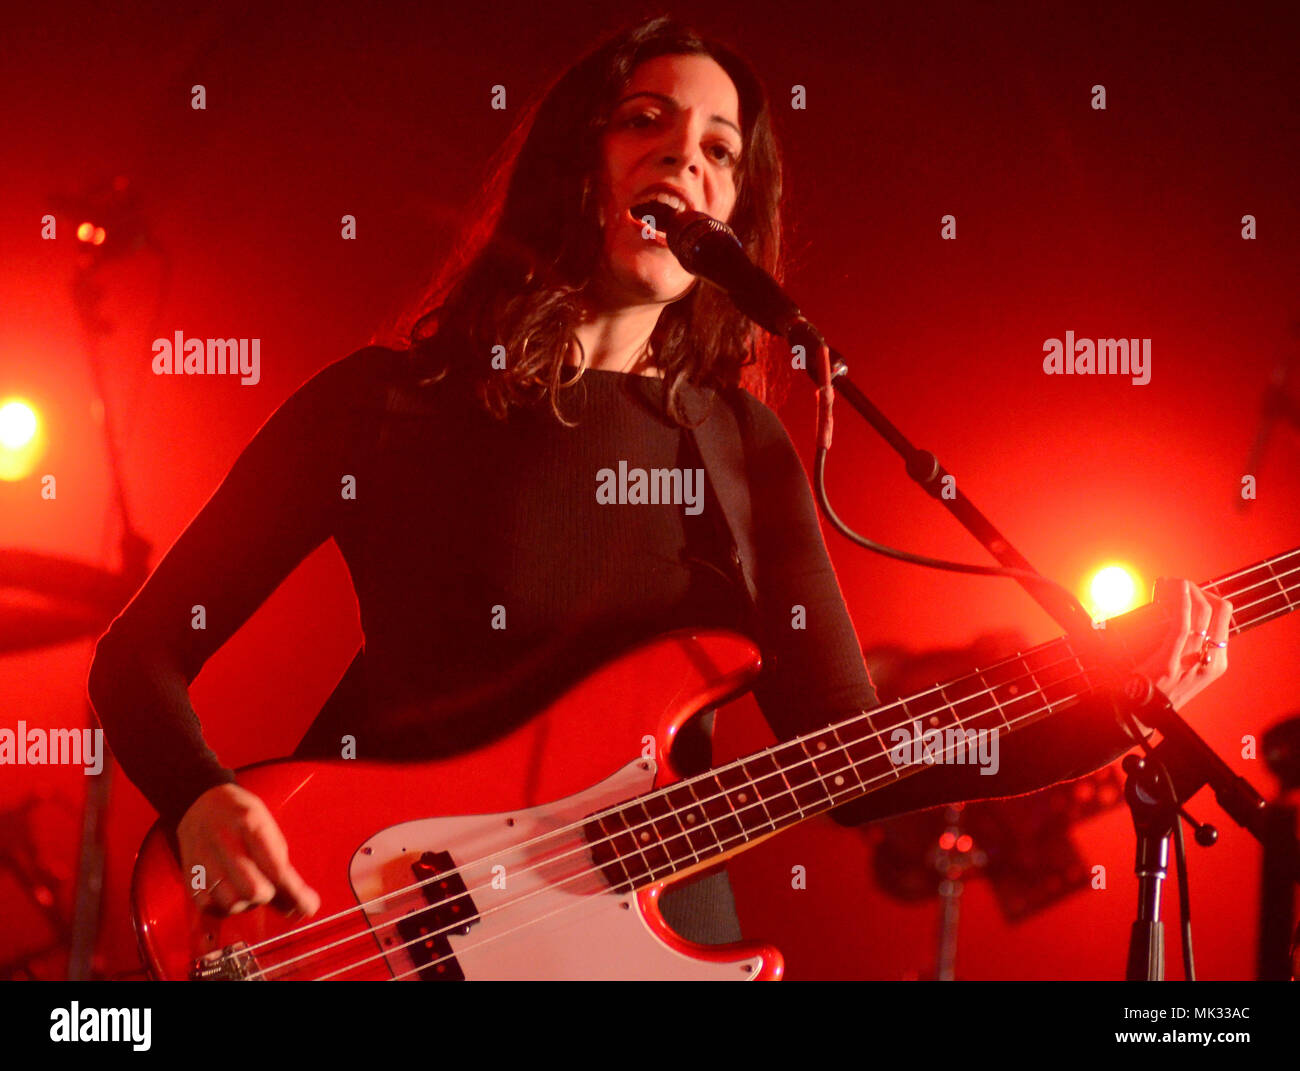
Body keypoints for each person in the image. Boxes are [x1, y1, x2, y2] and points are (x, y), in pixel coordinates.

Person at [87, 16, 1231, 953]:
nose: (688, 157)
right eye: (648, 122)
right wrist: (197, 796)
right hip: (382, 921)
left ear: (733, 214)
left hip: (656, 943)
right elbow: (138, 657)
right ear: (575, 165)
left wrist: (1098, 714)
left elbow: (854, 763)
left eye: (722, 149)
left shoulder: (743, 448)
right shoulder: (388, 404)